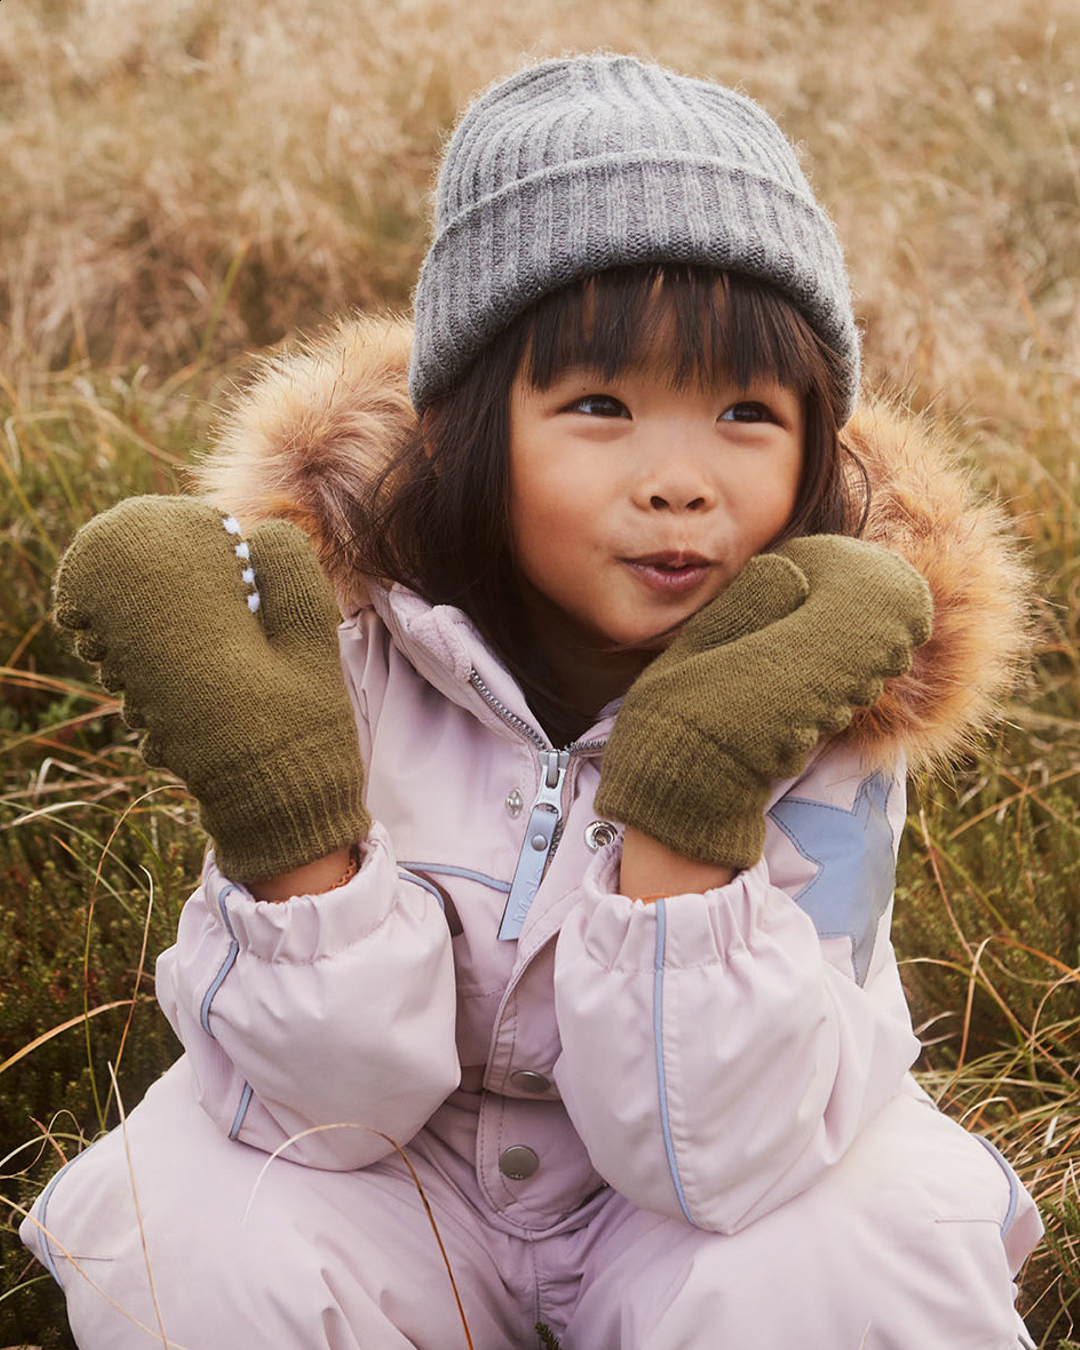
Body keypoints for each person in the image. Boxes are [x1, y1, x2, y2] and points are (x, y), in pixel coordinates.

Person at [22, 54, 1041, 1349]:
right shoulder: (347, 645)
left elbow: (723, 1150)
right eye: (600, 405)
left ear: (816, 445)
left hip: (701, 1197)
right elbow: (327, 1110)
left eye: (744, 411)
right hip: (407, 1180)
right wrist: (290, 829)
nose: (679, 481)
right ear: (464, 431)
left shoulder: (829, 676)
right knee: (201, 1229)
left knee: (857, 1253)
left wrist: (689, 809)